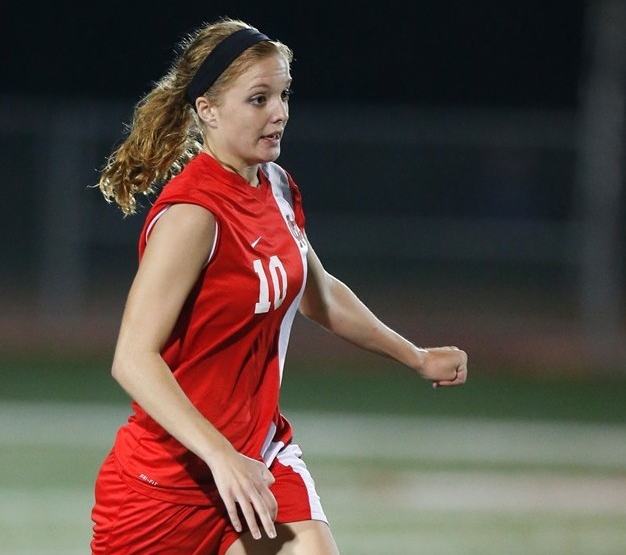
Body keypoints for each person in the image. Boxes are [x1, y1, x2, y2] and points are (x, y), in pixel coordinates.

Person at [91, 18, 468, 555]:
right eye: (259, 98)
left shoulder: (276, 185)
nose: (280, 112)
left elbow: (320, 293)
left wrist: (415, 356)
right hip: (167, 486)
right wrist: (220, 456)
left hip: (258, 458)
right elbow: (131, 357)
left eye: (284, 94)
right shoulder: (193, 214)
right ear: (208, 109)